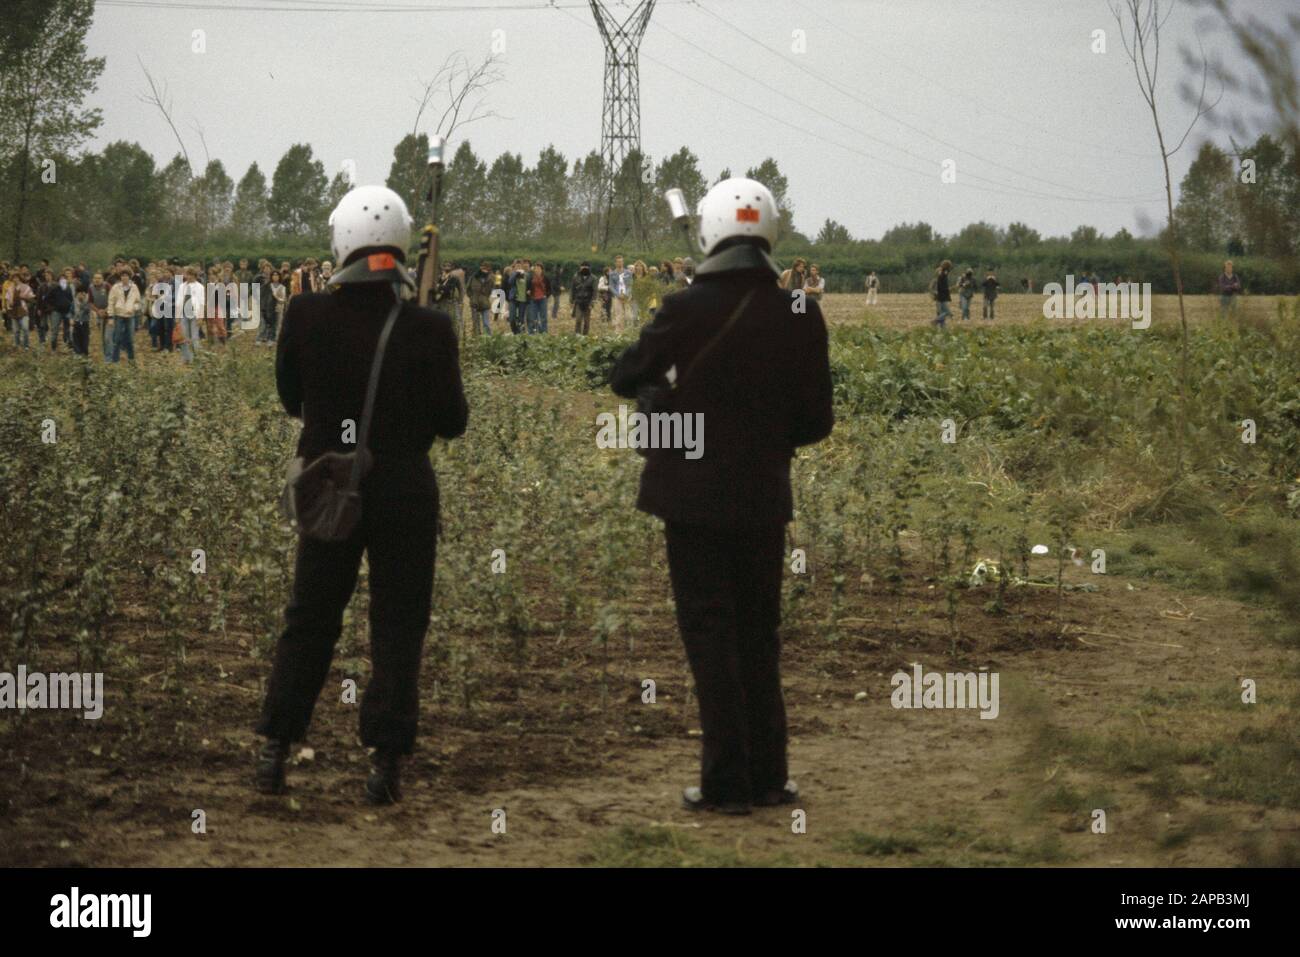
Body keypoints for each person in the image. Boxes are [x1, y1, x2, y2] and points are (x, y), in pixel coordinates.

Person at [609, 177, 834, 815]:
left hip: (691, 497)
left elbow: (626, 375)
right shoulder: (799, 310)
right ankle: (771, 777)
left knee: (710, 636)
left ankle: (726, 783)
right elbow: (815, 423)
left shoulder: (688, 307)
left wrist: (675, 374)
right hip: (763, 496)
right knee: (759, 635)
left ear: (706, 230)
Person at [255, 184, 468, 805]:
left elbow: (292, 399)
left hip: (330, 487)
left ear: (341, 241)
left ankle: (274, 749)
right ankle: (385, 765)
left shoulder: (305, 314)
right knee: (399, 628)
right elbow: (453, 421)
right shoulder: (429, 326)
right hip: (405, 492)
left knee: (310, 619)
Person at [106, 268, 140, 362]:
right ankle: (115, 360)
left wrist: (133, 308)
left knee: (130, 338)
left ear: (129, 277)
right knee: (117, 338)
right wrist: (111, 317)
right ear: (120, 277)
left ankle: (131, 359)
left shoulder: (134, 287)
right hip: (118, 315)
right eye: (122, 275)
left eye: (126, 275)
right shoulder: (116, 287)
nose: (124, 277)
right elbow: (111, 302)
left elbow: (138, 302)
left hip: (130, 316)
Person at [467, 260, 495, 336]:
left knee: (486, 323)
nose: (484, 270)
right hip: (474, 302)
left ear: (489, 269)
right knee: (475, 323)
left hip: (485, 302)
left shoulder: (491, 279)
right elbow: (468, 289)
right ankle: (477, 338)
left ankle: (488, 338)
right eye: (483, 268)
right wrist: (472, 297)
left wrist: (485, 297)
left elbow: (491, 290)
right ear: (480, 268)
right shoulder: (473, 277)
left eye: (486, 269)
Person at [570, 261, 597, 335]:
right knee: (578, 320)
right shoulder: (575, 277)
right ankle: (577, 336)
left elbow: (595, 292)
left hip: (588, 302)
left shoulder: (593, 278)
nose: (584, 268)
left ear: (589, 268)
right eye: (583, 266)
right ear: (580, 267)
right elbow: (572, 289)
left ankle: (585, 337)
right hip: (578, 301)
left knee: (586, 321)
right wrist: (571, 300)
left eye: (586, 266)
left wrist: (592, 302)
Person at [609, 255, 633, 331]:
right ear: (615, 263)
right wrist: (618, 295)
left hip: (627, 296)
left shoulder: (628, 273)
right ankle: (618, 333)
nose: (620, 263)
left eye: (621, 261)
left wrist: (626, 294)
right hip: (617, 296)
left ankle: (629, 331)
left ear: (623, 262)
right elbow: (611, 286)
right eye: (618, 262)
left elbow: (630, 284)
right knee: (618, 315)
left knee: (628, 316)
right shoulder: (612, 274)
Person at [526, 261, 551, 334]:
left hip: (542, 299)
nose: (537, 269)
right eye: (536, 268)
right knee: (533, 318)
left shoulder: (545, 278)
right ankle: (533, 332)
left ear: (542, 269)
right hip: (533, 299)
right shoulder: (531, 277)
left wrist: (546, 295)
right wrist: (528, 291)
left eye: (538, 268)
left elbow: (549, 289)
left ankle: (544, 333)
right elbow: (528, 287)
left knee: (544, 317)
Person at [929, 260, 952, 327]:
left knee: (941, 313)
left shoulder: (940, 273)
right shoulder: (943, 273)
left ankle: (943, 328)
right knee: (948, 313)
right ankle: (935, 321)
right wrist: (947, 289)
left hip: (939, 295)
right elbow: (942, 285)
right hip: (942, 295)